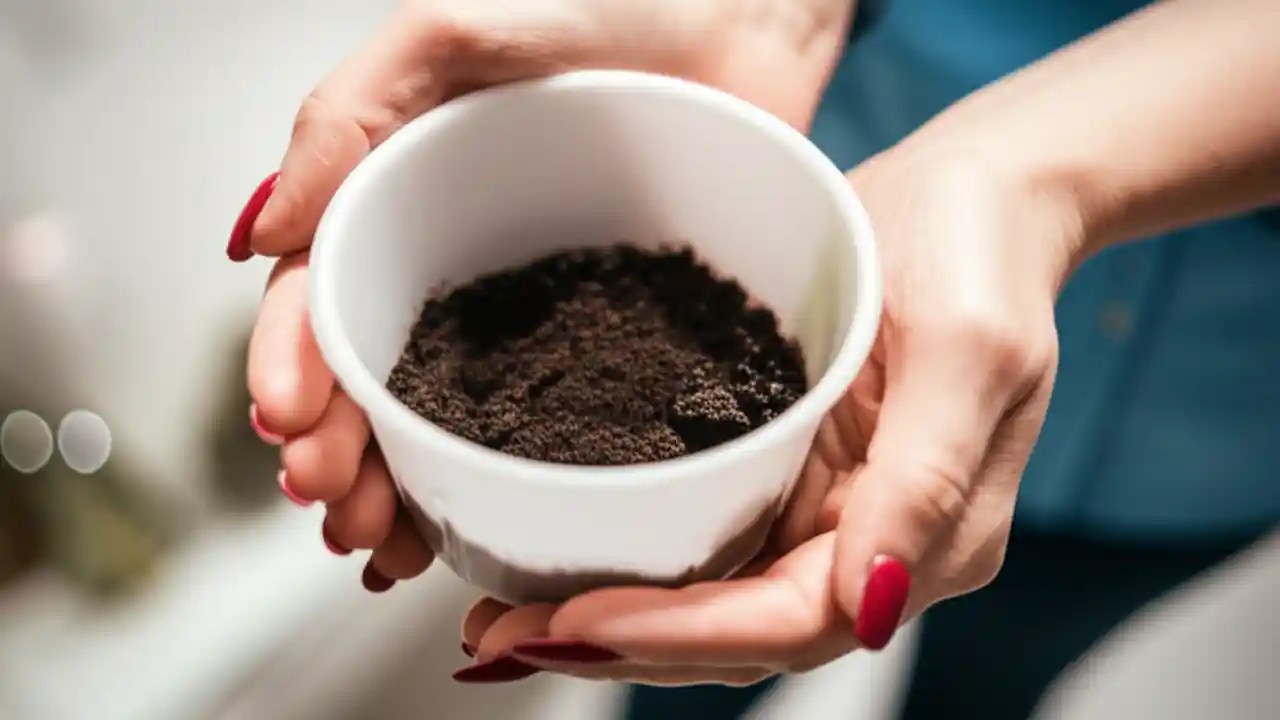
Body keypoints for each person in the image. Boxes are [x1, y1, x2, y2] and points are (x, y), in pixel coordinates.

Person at [228, 0, 1280, 717]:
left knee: (986, 687)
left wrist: (1026, 175)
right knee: (668, 662)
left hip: (1209, 441)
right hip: (835, 195)